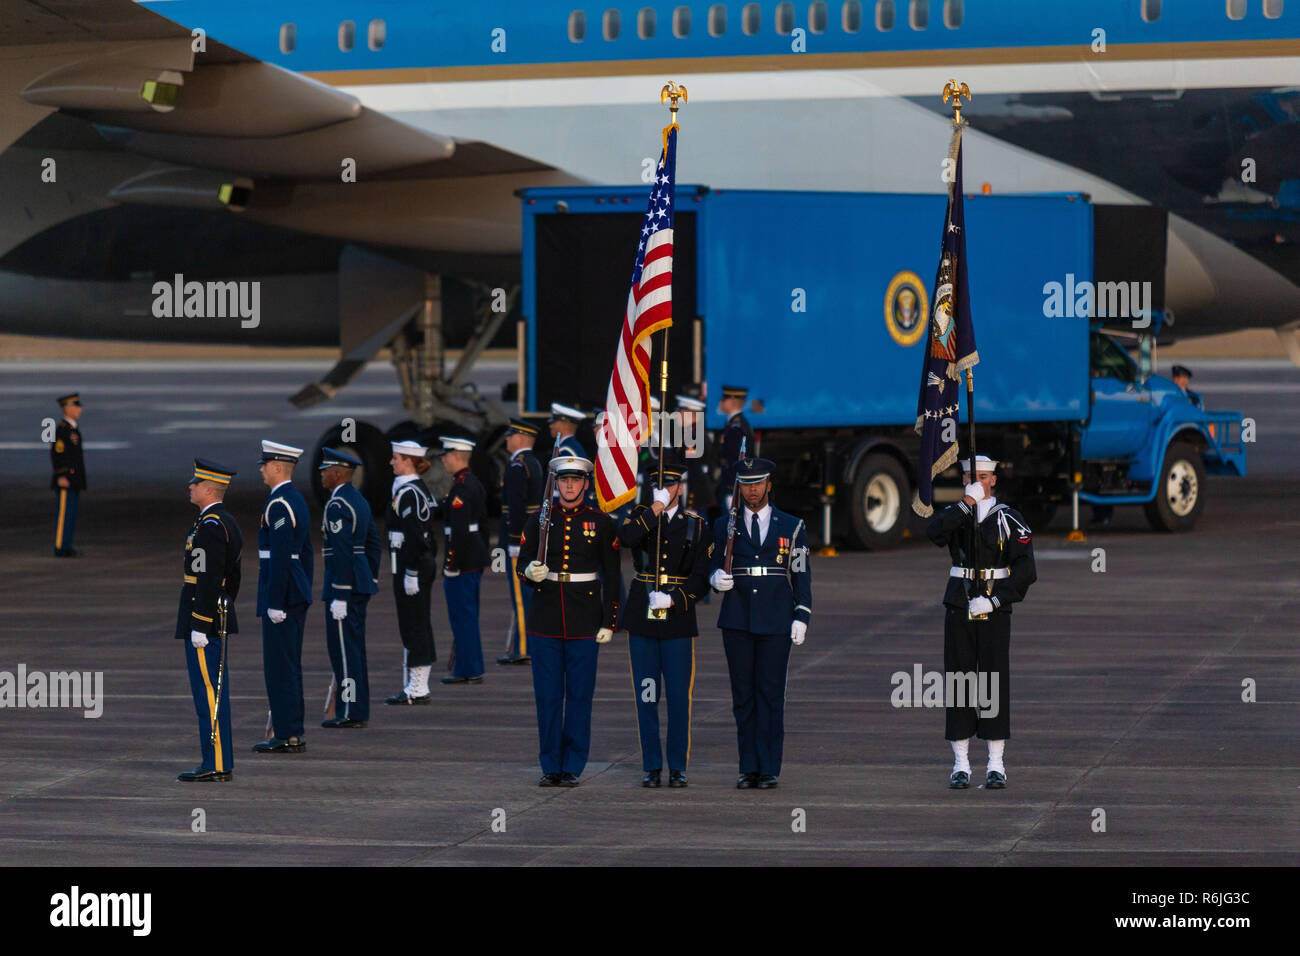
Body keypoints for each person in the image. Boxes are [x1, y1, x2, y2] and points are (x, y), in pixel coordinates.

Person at [926, 455, 1037, 790]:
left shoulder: (1009, 519)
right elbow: (934, 532)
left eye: (984, 476)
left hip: (993, 604)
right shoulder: (958, 514)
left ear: (994, 480)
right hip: (960, 601)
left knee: (992, 680)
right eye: (971, 476)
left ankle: (996, 763)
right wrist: (966, 504)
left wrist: (995, 599)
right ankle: (960, 763)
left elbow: (1026, 570)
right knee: (960, 679)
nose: (978, 480)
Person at [517, 455, 620, 787]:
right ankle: (550, 764)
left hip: (584, 619)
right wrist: (529, 573)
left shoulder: (601, 521)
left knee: (579, 695)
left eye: (575, 480)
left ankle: (573, 764)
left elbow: (614, 574)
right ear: (556, 483)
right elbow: (522, 565)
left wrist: (610, 620)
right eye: (564, 480)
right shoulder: (539, 520)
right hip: (545, 617)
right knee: (547, 695)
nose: (570, 485)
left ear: (586, 484)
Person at [709, 457, 811, 790]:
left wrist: (802, 614)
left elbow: (801, 574)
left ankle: (769, 767)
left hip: (776, 616)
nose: (752, 490)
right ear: (739, 487)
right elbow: (712, 564)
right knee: (743, 697)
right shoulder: (725, 524)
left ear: (769, 485)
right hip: (738, 617)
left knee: (770, 695)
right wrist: (715, 578)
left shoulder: (792, 525)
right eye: (746, 484)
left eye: (758, 483)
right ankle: (747, 767)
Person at [618, 456, 712, 788]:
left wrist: (675, 599)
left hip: (676, 617)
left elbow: (701, 577)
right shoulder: (640, 518)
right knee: (646, 695)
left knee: (677, 696)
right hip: (643, 614)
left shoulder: (695, 525)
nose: (665, 490)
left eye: (670, 485)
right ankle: (651, 765)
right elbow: (626, 539)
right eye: (659, 485)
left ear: (680, 487)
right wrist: (654, 510)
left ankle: (677, 765)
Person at [176, 459, 243, 782]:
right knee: (211, 691)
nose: (190, 486)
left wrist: (201, 623)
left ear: (209, 489)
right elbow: (232, 579)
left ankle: (216, 762)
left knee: (209, 692)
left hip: (202, 616)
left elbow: (208, 577)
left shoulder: (212, 526)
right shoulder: (220, 521)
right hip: (212, 611)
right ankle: (218, 759)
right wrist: (224, 605)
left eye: (195, 483)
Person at [252, 440, 314, 755]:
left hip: (282, 596)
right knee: (289, 664)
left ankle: (287, 733)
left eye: (265, 464)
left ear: (277, 467)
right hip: (295, 591)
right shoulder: (297, 500)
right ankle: (292, 730)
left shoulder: (279, 504)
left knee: (279, 666)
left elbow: (278, 559)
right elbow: (306, 554)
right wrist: (305, 587)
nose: (261, 469)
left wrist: (275, 601)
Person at [319, 448, 380, 728]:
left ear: (337, 473)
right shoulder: (359, 500)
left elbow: (342, 551)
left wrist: (341, 592)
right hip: (360, 582)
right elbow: (373, 544)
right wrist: (371, 578)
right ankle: (355, 708)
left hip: (345, 586)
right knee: (353, 649)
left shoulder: (338, 505)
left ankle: (349, 711)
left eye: (325, 470)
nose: (321, 474)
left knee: (344, 652)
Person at [385, 439, 439, 704]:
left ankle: (418, 686)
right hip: (411, 562)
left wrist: (413, 572)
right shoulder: (410, 489)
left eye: (396, 457)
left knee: (415, 623)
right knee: (413, 622)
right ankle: (415, 683)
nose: (392, 462)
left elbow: (418, 537)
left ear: (408, 460)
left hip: (411, 564)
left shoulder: (410, 492)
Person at [437, 436, 490, 685]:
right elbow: (482, 525)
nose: (444, 460)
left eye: (446, 455)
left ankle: (467, 668)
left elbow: (458, 532)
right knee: (468, 616)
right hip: (474, 558)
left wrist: (451, 564)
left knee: (463, 618)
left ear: (457, 456)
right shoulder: (473, 482)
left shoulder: (461, 488)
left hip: (463, 562)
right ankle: (471, 665)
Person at [497, 419, 543, 666]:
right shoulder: (532, 463)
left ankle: (523, 647)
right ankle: (522, 643)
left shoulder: (517, 466)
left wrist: (515, 540)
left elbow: (516, 507)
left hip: (519, 539)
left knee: (520, 595)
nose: (507, 439)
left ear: (521, 438)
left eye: (510, 435)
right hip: (531, 536)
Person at [50, 392, 86, 557]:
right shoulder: (62, 430)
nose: (79, 409)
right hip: (66, 479)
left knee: (70, 514)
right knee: (64, 514)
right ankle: (60, 546)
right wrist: (61, 475)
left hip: (74, 479)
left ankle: (66, 544)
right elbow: (57, 454)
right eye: (76, 406)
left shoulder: (72, 429)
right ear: (68, 408)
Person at [712, 385, 754, 511]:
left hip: (732, 486)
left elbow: (737, 459)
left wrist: (732, 487)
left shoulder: (736, 427)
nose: (721, 402)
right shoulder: (734, 423)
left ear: (732, 402)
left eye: (724, 399)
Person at [675, 393, 712, 515]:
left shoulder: (695, 436)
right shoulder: (692, 433)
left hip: (695, 493)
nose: (678, 416)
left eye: (681, 412)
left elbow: (694, 468)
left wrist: (690, 497)